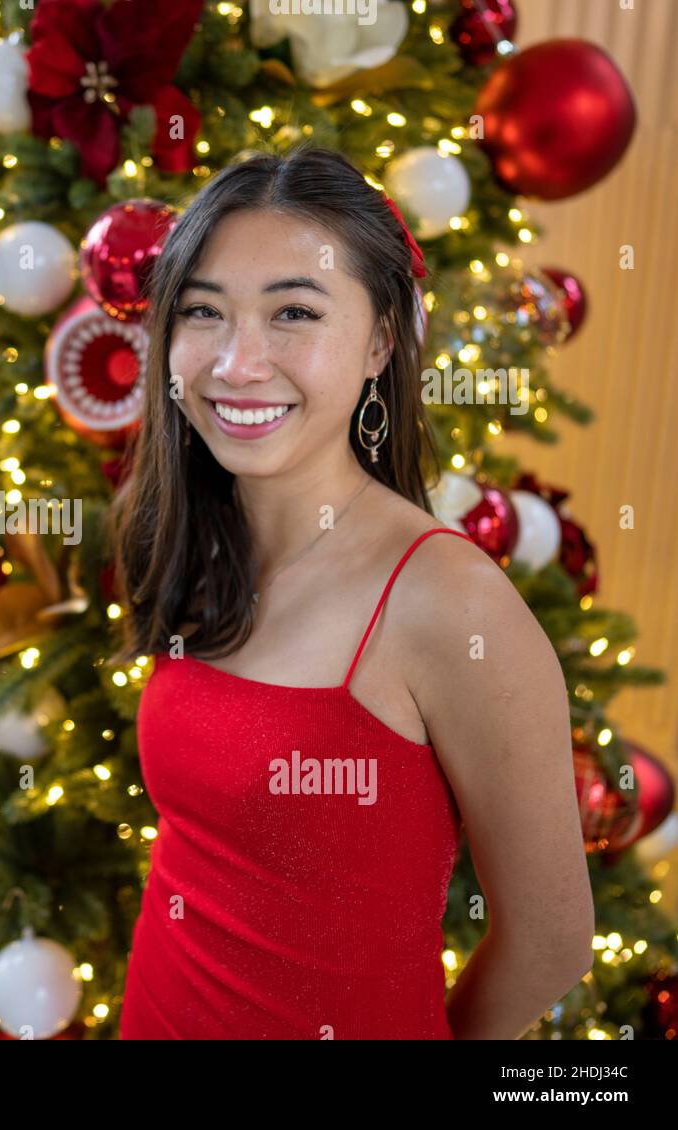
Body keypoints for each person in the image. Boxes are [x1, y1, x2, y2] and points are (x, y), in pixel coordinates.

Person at [109, 145, 594, 1040]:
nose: (237, 363)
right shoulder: (200, 537)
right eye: (203, 312)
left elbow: (553, 941)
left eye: (294, 311)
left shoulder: (449, 602)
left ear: (379, 342)